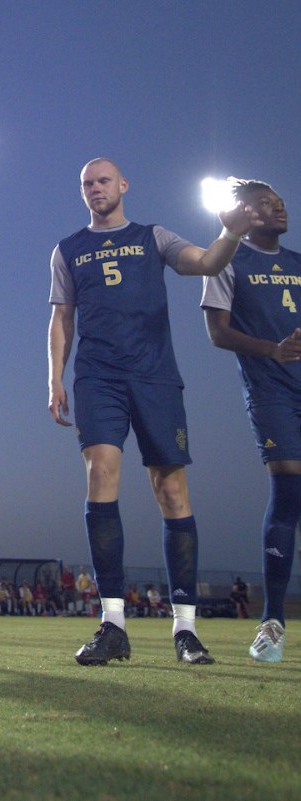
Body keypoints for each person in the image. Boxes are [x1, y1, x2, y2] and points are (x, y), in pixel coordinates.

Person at [48, 158, 256, 666]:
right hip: (98, 377)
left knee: (170, 487)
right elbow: (61, 318)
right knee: (101, 470)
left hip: (155, 376)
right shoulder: (68, 249)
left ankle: (185, 628)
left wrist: (229, 233)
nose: (95, 189)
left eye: (103, 181)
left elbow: (205, 263)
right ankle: (113, 622)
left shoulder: (152, 236)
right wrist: (54, 377)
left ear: (123, 184)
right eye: (86, 184)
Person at [200, 179, 296, 659]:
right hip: (272, 390)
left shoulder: (299, 264)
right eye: (265, 204)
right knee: (289, 489)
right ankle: (272, 622)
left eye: (279, 203)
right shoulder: (226, 262)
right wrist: (273, 352)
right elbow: (218, 333)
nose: (277, 209)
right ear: (243, 213)